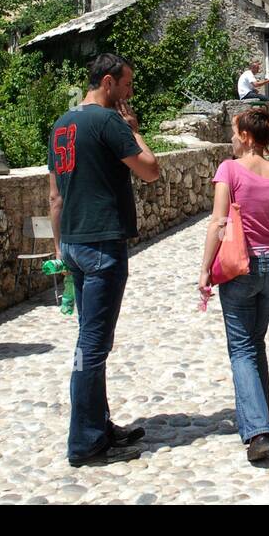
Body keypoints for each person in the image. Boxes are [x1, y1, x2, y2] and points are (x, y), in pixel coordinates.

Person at [48, 53, 161, 467]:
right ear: (109, 82)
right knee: (92, 348)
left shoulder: (61, 125)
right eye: (127, 85)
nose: (129, 94)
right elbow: (150, 170)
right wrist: (136, 131)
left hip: (75, 245)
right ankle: (84, 443)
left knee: (93, 341)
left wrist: (61, 249)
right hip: (102, 245)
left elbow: (54, 196)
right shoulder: (109, 121)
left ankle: (99, 424)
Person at [198, 106, 269, 463]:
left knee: (241, 348)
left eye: (236, 132)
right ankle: (259, 419)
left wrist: (205, 269)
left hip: (241, 268)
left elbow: (219, 223)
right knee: (255, 342)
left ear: (248, 137)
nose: (233, 139)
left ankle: (257, 430)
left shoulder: (229, 169)